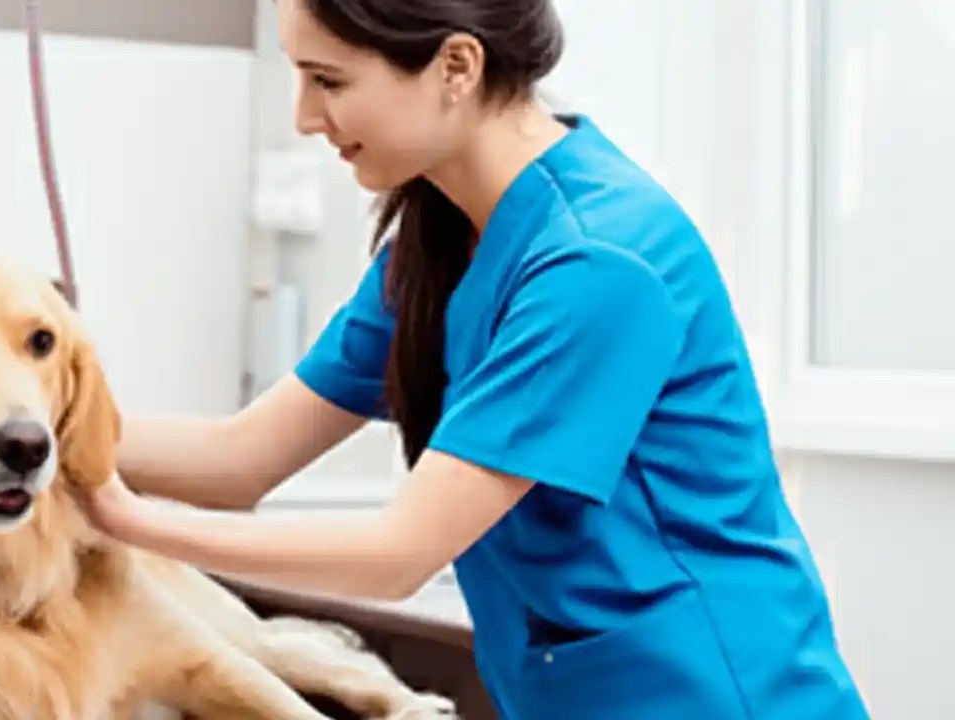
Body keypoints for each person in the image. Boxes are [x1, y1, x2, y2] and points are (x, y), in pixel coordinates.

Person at [76, 1, 871, 718]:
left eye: (328, 81)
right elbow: (240, 457)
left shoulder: (600, 264)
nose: (305, 117)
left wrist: (130, 520)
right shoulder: (436, 249)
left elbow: (397, 555)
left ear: (457, 65)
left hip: (715, 696)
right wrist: (41, 430)